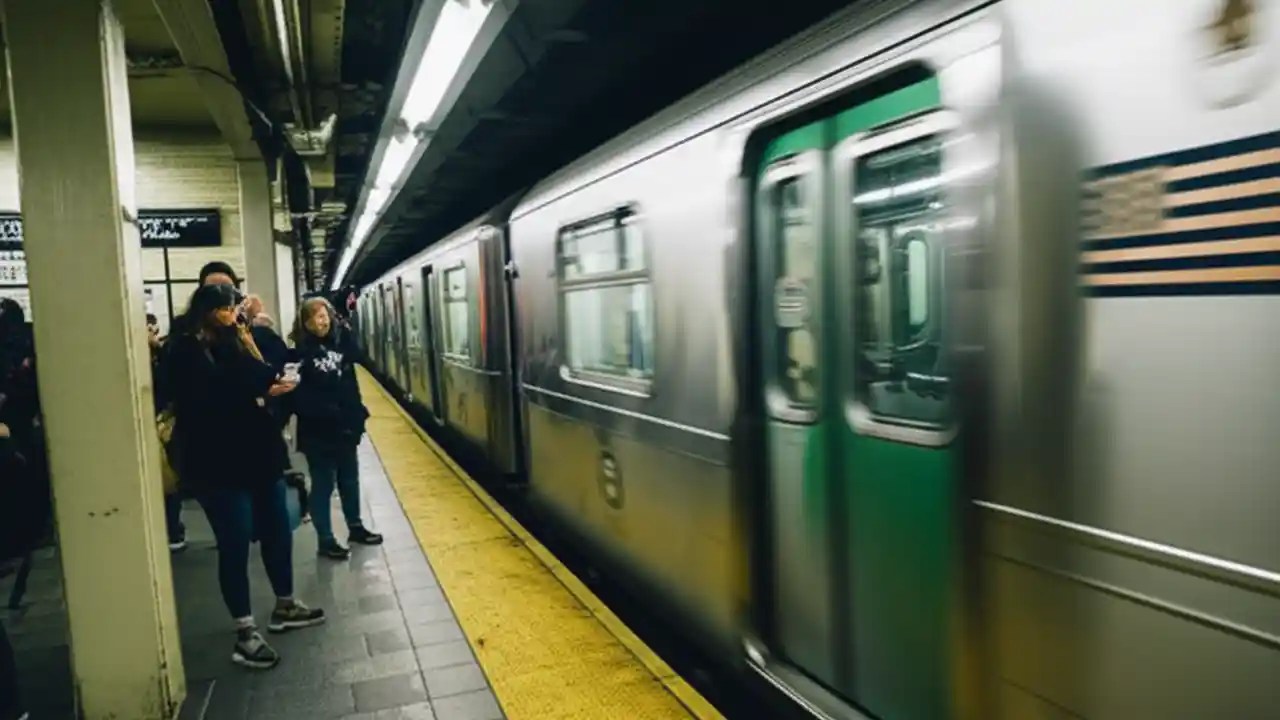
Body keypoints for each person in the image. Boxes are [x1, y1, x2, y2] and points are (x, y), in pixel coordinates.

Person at [167, 283, 324, 669]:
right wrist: (257, 390)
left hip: (260, 455)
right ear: (206, 310)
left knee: (277, 530)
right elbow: (206, 396)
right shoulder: (185, 348)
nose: (233, 313)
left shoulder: (238, 339)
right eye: (226, 308)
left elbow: (262, 373)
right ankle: (245, 632)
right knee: (234, 543)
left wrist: (270, 385)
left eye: (235, 307)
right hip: (216, 464)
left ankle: (285, 604)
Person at [290, 297, 382, 560]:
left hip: (345, 427)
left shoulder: (340, 344)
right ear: (306, 323)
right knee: (323, 485)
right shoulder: (300, 354)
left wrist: (344, 329)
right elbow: (299, 396)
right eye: (318, 317)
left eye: (327, 316)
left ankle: (355, 526)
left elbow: (358, 356)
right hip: (318, 432)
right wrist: (323, 412)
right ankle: (326, 540)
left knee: (350, 480)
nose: (324, 322)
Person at [148, 312, 187, 551]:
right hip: (159, 421)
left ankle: (172, 527)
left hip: (165, 423)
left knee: (170, 478)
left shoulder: (164, 355)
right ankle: (170, 528)